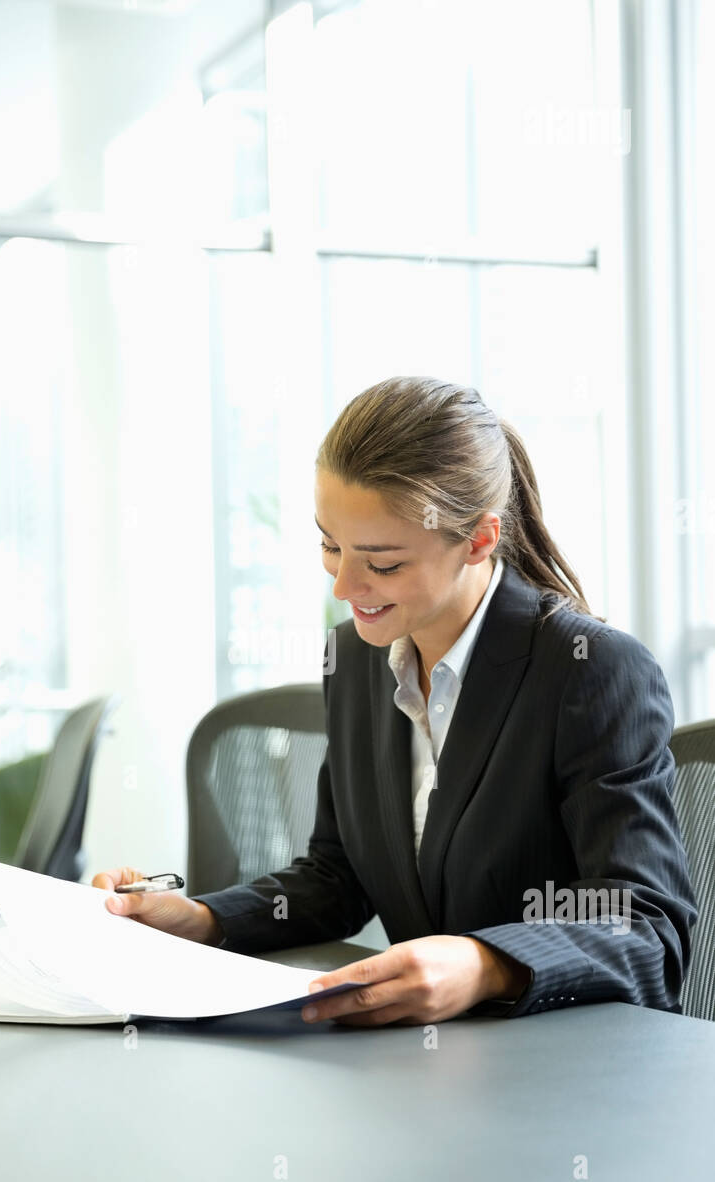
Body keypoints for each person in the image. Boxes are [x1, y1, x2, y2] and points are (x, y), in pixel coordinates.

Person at [93, 376, 697, 1027]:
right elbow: (338, 875)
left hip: (567, 1073)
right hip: (419, 1078)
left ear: (479, 540)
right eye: (330, 545)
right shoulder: (356, 659)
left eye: (381, 563)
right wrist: (204, 919)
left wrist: (485, 963)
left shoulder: (589, 671)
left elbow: (647, 927)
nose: (346, 587)